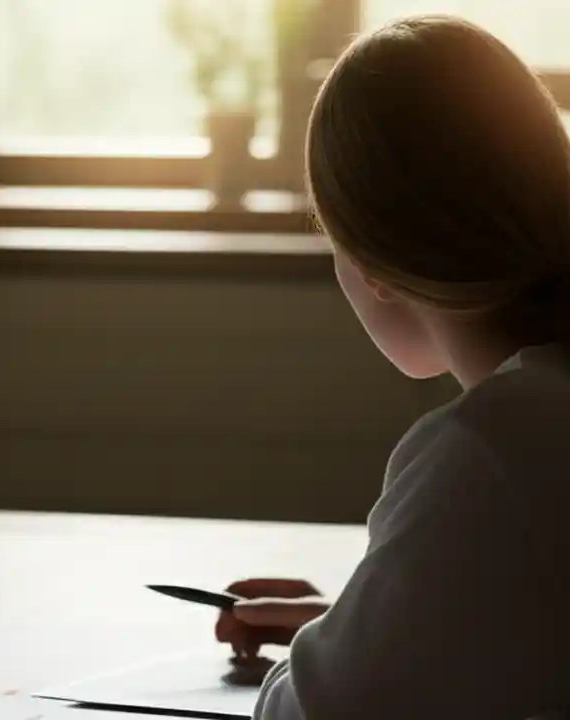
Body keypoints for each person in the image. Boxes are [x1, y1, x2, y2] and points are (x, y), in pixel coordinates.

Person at [215, 15, 570, 719]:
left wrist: (320, 660)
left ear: (373, 267)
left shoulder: (490, 450)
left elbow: (326, 712)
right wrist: (373, 619)